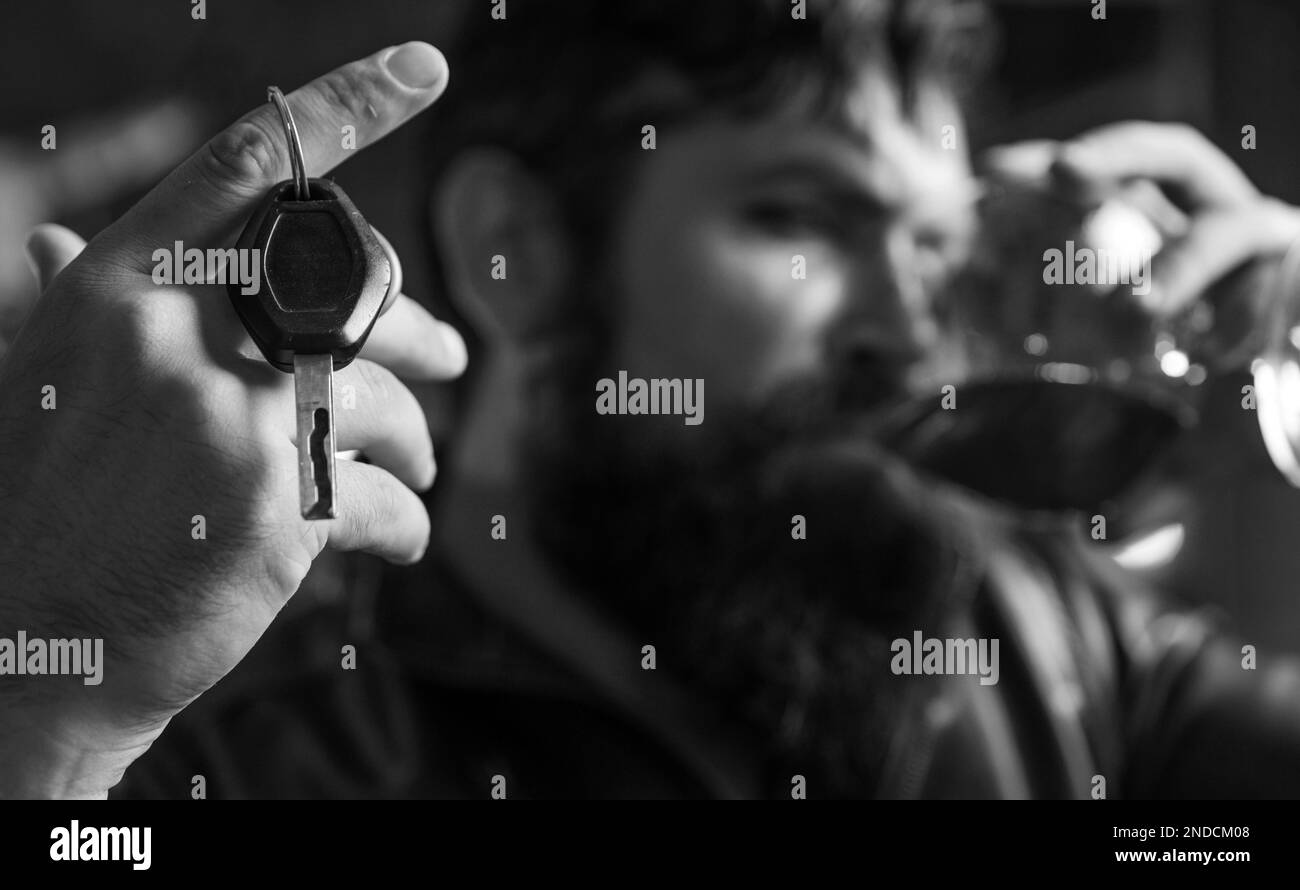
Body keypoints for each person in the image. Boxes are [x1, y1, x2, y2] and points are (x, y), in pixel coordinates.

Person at [3, 0, 1300, 800]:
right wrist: (56, 713)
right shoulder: (227, 738)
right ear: (518, 249)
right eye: (800, 219)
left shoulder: (1061, 650)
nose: (910, 333)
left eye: (931, 249)